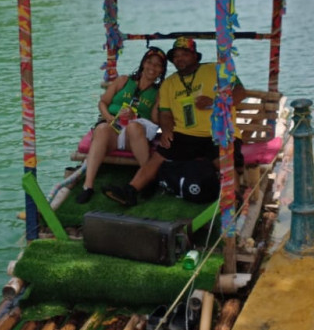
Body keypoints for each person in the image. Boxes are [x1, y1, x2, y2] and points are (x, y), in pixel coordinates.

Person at [104, 36, 246, 207]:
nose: (179, 59)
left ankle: (234, 197)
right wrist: (166, 131)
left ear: (195, 56)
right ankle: (130, 191)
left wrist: (216, 102)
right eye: (176, 56)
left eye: (184, 54)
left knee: (221, 157)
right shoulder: (169, 83)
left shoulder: (216, 69)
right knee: (159, 156)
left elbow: (240, 92)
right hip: (185, 135)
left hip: (220, 131)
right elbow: (165, 113)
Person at [76, 46, 168, 204]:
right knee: (102, 129)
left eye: (158, 65)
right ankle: (88, 186)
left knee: (134, 127)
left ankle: (147, 178)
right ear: (143, 63)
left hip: (136, 135)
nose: (152, 67)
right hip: (114, 127)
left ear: (162, 71)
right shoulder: (124, 81)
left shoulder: (158, 92)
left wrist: (136, 116)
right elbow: (103, 102)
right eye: (149, 62)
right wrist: (109, 118)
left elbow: (155, 121)